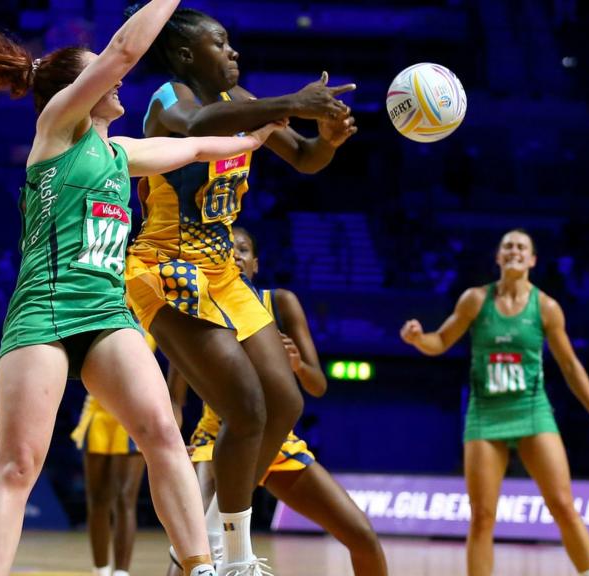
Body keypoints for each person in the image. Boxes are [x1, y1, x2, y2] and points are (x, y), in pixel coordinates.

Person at [0, 2, 286, 574]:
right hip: (45, 311)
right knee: (17, 466)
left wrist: (257, 136)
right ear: (79, 88)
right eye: (101, 75)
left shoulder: (120, 152)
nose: (120, 79)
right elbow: (124, 51)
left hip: (107, 312)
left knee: (161, 431)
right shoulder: (57, 131)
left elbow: (197, 148)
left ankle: (198, 565)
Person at [124, 6, 357, 573]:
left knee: (285, 403)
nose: (234, 53)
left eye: (231, 45)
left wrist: (327, 138)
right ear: (185, 55)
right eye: (220, 44)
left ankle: (202, 538)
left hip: (223, 269)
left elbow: (304, 158)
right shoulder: (167, 100)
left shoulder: (241, 102)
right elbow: (195, 127)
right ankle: (235, 558)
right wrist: (289, 104)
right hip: (166, 264)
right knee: (246, 409)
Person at [400, 229, 589, 576]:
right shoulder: (475, 300)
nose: (514, 251)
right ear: (498, 257)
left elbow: (569, 365)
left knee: (564, 506)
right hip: (485, 415)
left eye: (522, 247)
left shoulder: (547, 307)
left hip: (532, 411)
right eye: (508, 246)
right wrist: (418, 339)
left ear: (533, 260)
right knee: (482, 517)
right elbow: (441, 341)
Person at [168, 227, 387, 576]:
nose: (236, 254)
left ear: (255, 263)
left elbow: (317, 386)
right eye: (227, 249)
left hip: (278, 441)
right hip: (219, 442)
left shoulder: (281, 302)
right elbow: (176, 383)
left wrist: (298, 365)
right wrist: (173, 428)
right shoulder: (202, 306)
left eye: (243, 249)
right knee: (194, 553)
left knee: (363, 538)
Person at [72, 394, 146, 576]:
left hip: (133, 412)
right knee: (97, 500)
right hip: (98, 411)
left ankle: (121, 573)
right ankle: (100, 571)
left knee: (124, 499)